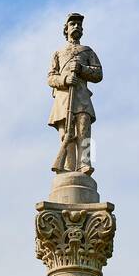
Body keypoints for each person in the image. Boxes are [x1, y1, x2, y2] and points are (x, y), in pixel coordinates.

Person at [47, 12, 103, 174]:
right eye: (72, 24)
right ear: (66, 29)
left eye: (79, 25)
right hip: (63, 98)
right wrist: (64, 80)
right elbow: (51, 77)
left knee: (84, 131)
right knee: (66, 134)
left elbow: (98, 74)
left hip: (81, 97)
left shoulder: (87, 51)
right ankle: (69, 166)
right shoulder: (58, 53)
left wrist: (82, 69)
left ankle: (84, 163)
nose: (76, 27)